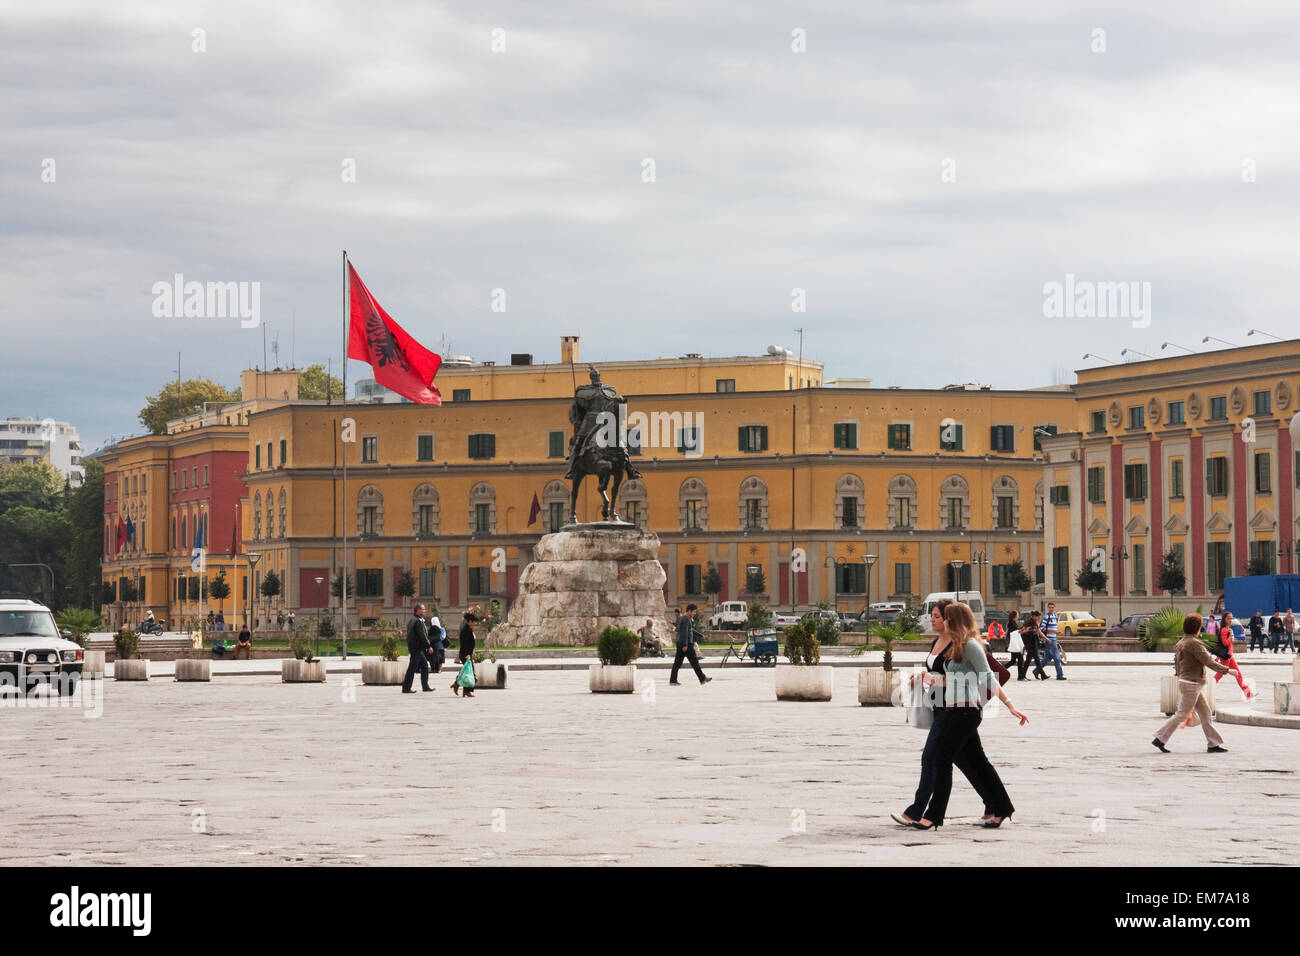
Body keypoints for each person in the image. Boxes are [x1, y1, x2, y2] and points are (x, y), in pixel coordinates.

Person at [892, 601, 1025, 831]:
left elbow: (988, 677)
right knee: (978, 763)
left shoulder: (971, 645)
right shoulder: (957, 646)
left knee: (941, 759)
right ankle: (1000, 807)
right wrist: (930, 678)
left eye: (945, 618)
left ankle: (933, 816)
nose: (942, 621)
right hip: (952, 710)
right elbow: (954, 678)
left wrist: (1010, 705)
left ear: (954, 620)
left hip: (966, 712)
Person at [1153, 614, 1231, 753]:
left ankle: (1213, 744)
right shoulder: (1194, 643)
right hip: (1192, 683)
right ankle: (1160, 737)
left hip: (1188, 682)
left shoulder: (1182, 642)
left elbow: (1178, 663)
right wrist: (1228, 670)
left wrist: (1180, 676)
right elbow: (1208, 661)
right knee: (1181, 714)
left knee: (1205, 712)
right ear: (1197, 628)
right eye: (1200, 627)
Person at [1210, 612, 1254, 700]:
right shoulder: (1224, 630)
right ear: (1224, 619)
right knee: (1220, 674)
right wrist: (1230, 636)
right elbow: (1225, 643)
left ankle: (1248, 694)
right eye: (1228, 618)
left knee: (1237, 674)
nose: (1230, 620)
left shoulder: (1228, 629)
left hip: (1229, 655)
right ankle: (1209, 689)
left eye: (1231, 618)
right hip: (1226, 656)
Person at [669, 604, 711, 686]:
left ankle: (673, 680)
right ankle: (702, 678)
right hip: (686, 644)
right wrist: (685, 645)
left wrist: (700, 635)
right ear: (689, 611)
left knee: (677, 663)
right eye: (694, 612)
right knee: (694, 662)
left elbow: (689, 630)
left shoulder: (682, 618)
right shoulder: (685, 619)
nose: (694, 613)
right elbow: (685, 632)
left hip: (681, 643)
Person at [401, 603, 433, 693]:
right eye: (423, 609)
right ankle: (406, 688)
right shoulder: (418, 621)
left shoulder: (413, 619)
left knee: (424, 666)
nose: (424, 611)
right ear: (418, 610)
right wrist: (428, 646)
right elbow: (422, 635)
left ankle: (425, 686)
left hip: (415, 647)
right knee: (412, 668)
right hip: (416, 648)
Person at [451, 607, 481, 697]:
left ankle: (460, 687)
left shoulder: (469, 629)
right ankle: (463, 689)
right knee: (470, 673)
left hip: (467, 654)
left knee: (466, 671)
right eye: (474, 622)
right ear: (470, 621)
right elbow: (465, 644)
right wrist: (468, 654)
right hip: (466, 654)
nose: (475, 623)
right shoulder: (465, 631)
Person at [1038, 602, 1066, 680]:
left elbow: (1054, 627)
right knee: (1057, 658)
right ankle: (1059, 675)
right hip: (1049, 639)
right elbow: (1042, 629)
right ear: (1048, 608)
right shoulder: (1046, 617)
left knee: (1048, 657)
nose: (1051, 609)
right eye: (1050, 607)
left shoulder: (1055, 616)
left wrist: (1056, 631)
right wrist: (1053, 631)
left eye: (1052, 607)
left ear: (1054, 608)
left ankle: (1036, 671)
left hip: (1053, 639)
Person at [1019, 610, 1049, 681]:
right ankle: (1042, 675)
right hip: (1029, 643)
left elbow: (1039, 632)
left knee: (1033, 659)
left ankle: (1023, 675)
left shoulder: (1035, 623)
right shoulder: (1028, 622)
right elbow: (1020, 631)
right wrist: (1026, 630)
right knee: (1033, 659)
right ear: (1034, 616)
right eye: (1038, 617)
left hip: (1034, 643)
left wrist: (1046, 639)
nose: (1039, 618)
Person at [1005, 611, 1027, 679]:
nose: (1018, 616)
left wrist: (1022, 630)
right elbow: (1014, 633)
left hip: (1014, 644)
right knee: (1020, 659)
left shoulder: (1012, 623)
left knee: (1013, 660)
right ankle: (1020, 676)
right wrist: (1023, 630)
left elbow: (1016, 632)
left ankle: (1001, 669)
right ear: (1015, 616)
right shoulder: (1012, 623)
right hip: (1014, 644)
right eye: (1017, 615)